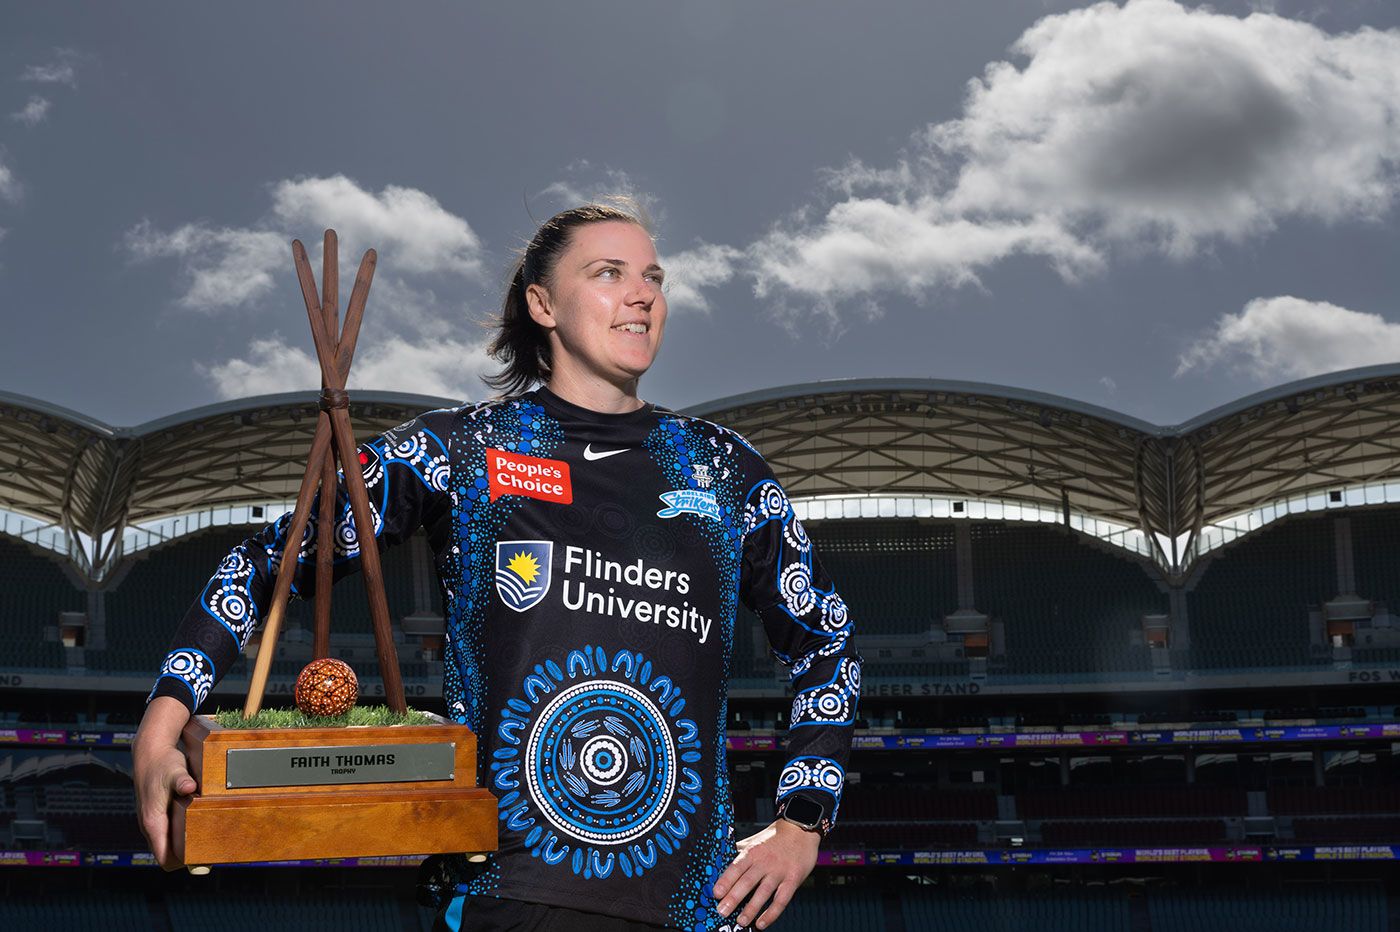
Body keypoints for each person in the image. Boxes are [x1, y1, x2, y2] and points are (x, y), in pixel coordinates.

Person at [133, 202, 862, 931]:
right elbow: (267, 560)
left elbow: (825, 640)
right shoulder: (463, 451)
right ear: (542, 303)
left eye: (653, 276)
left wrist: (803, 820)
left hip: (702, 908)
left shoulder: (724, 468)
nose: (642, 293)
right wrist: (161, 724)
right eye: (609, 273)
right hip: (506, 897)